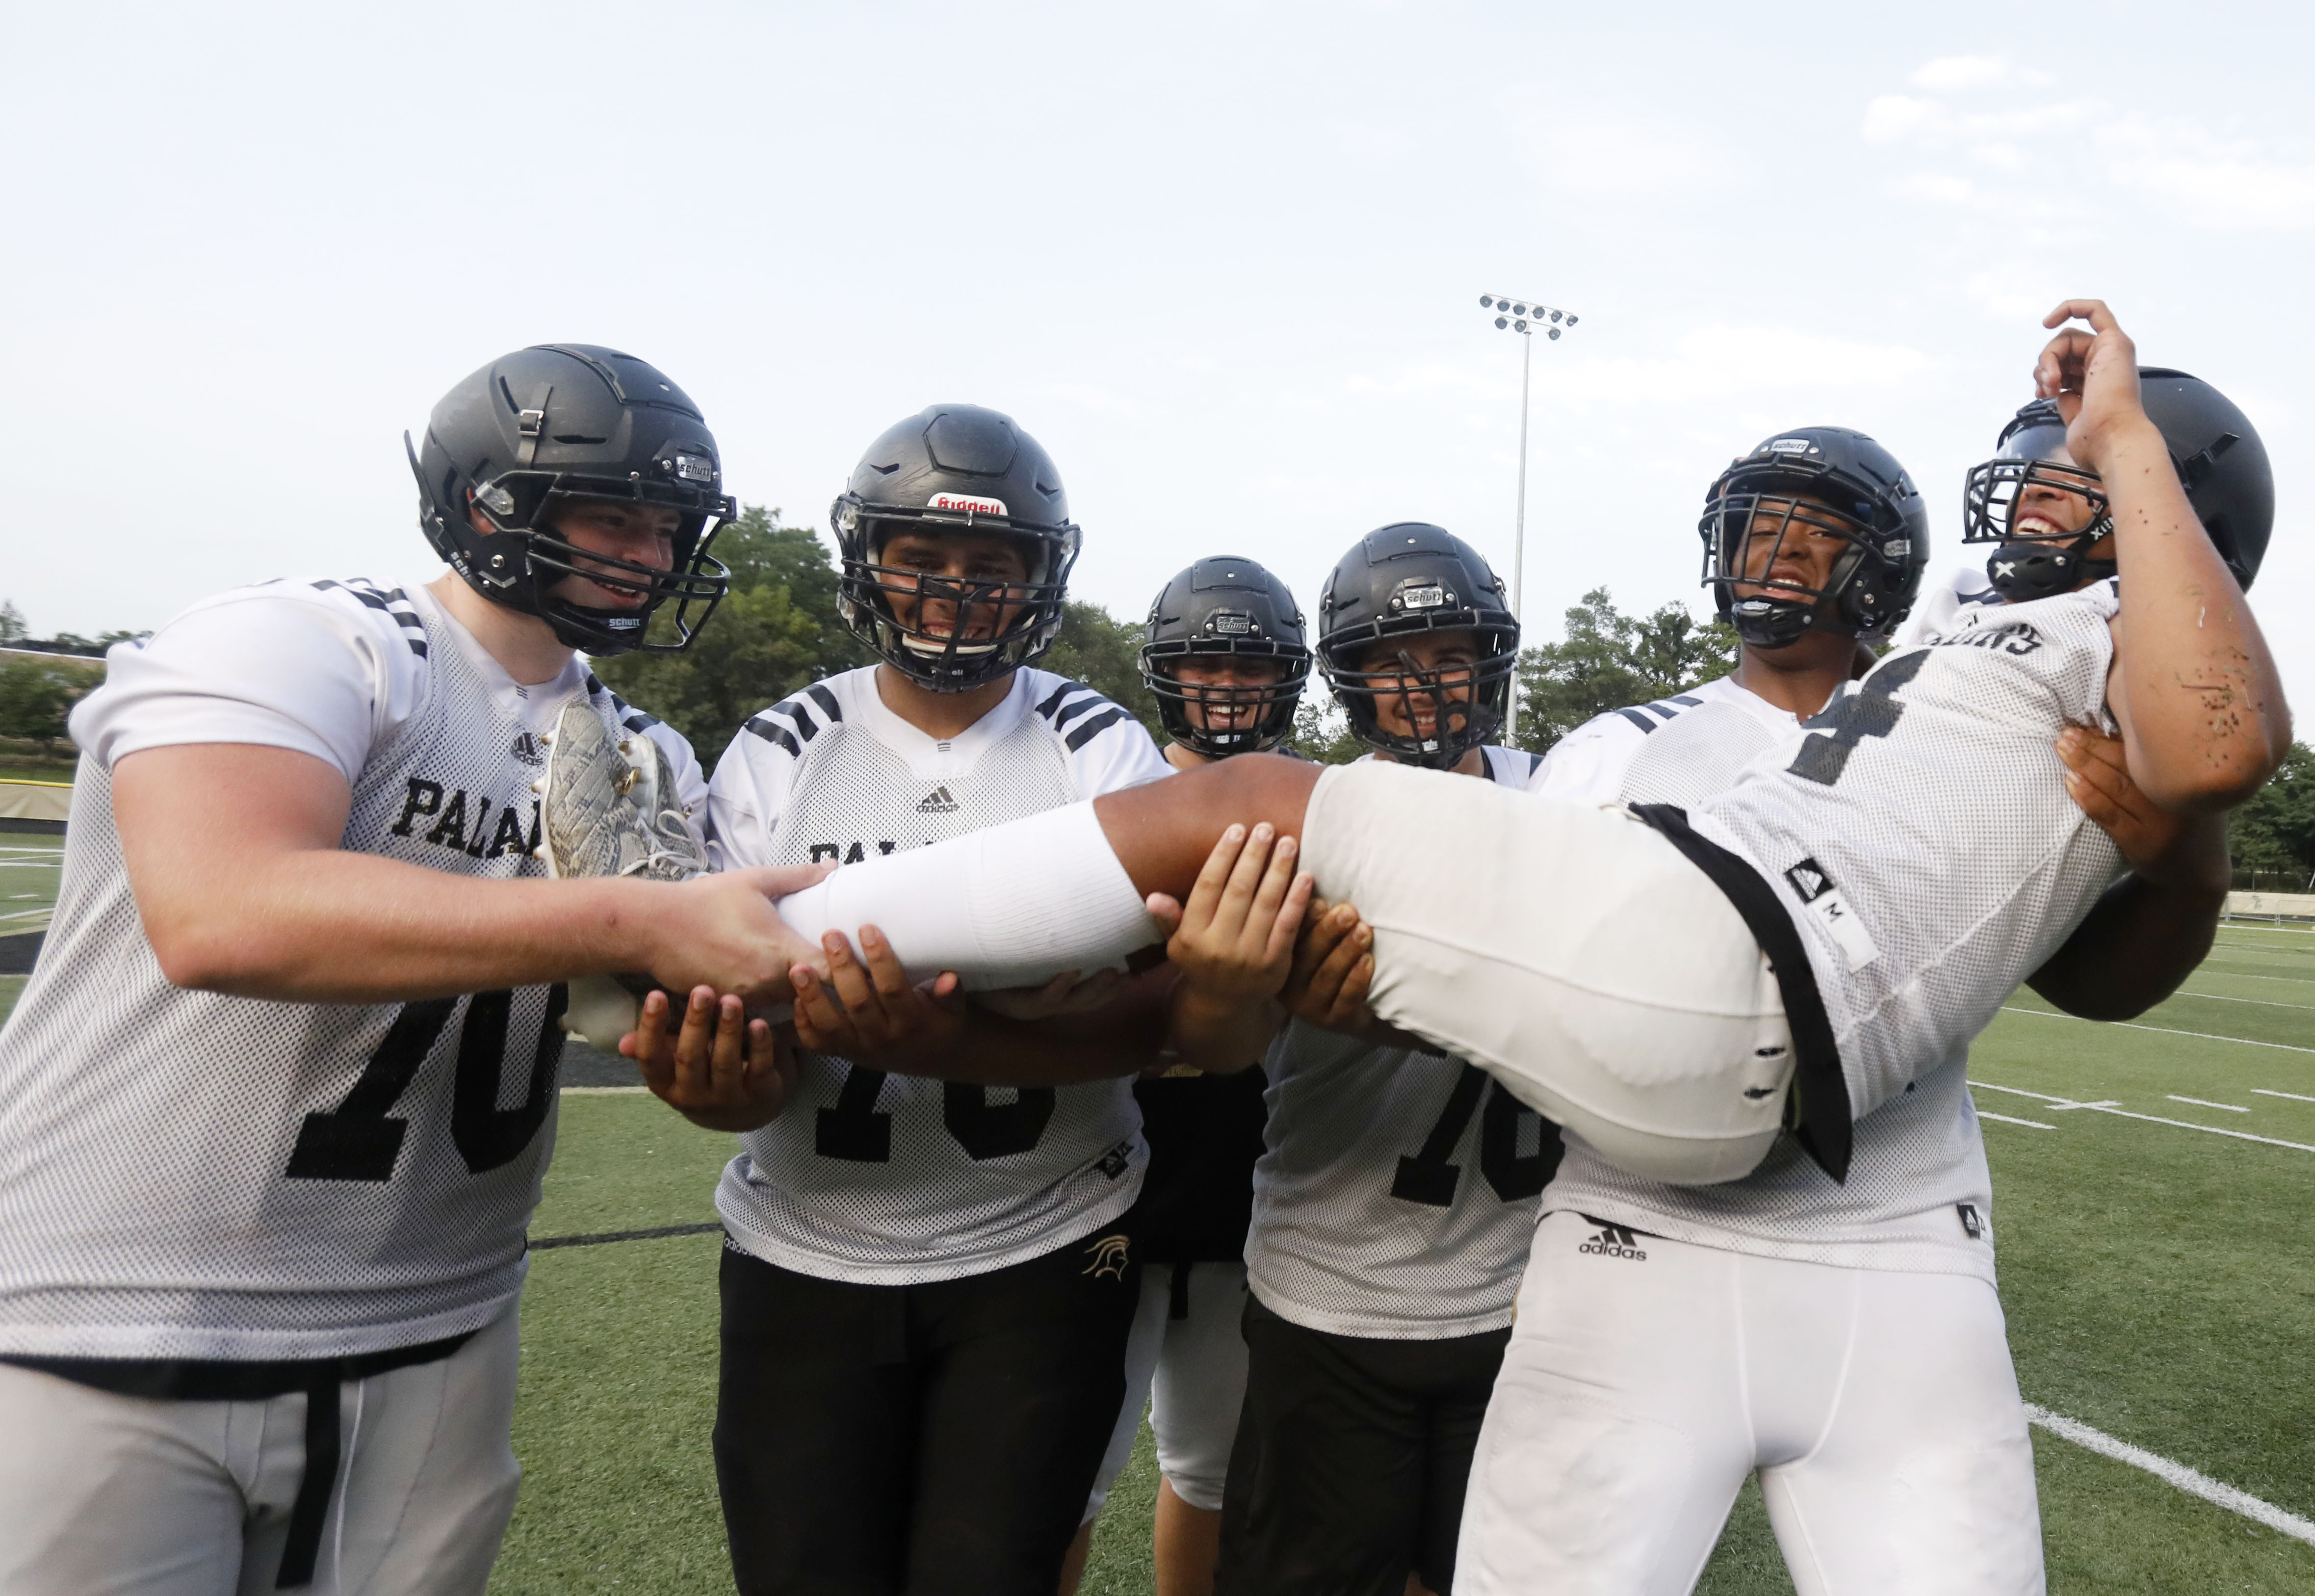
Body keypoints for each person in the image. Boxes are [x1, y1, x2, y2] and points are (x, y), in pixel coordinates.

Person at [754, 300, 2285, 1203]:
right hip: (1734, 1030)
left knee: (1237, 803)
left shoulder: (2135, 642)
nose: (2032, 504)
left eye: (2069, 487)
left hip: (1749, 982)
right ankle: (885, 1011)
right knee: (1245, 937)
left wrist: (2133, 445)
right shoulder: (1971, 628)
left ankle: (726, 938)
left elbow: (2218, 743)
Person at [0, 344, 802, 1595]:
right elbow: (225, 910)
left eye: (668, 528)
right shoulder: (301, 640)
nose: (647, 556)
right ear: (488, 501)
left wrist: (730, 1069)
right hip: (115, 1303)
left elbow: (670, 1049)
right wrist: (626, 921)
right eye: (613, 515)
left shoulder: (650, 758)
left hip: (442, 1323)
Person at [1437, 388, 2264, 1593]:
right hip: (1639, 1232)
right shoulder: (1625, 743)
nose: (1773, 558)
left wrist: (2185, 867)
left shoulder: (1982, 694)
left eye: (1812, 533)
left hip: (1897, 1235)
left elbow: (2088, 978)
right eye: (1757, 529)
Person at [701, 404, 1196, 1596]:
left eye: (993, 564)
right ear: (868, 560)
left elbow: (1156, 1018)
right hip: (805, 1243)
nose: (955, 591)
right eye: (923, 558)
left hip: (1041, 1236)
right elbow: (735, 1033)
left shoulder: (1096, 747)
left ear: (1040, 575)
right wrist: (717, 1071)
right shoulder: (780, 748)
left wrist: (943, 1034)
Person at [1213, 526, 1557, 1596]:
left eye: (1449, 651)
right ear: (1348, 676)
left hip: (1525, 1295)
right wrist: (1232, 985)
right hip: (1336, 1289)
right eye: (1390, 658)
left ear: (1491, 654)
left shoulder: (1571, 798)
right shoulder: (1303, 819)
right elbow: (1212, 1046)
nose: (1424, 682)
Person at [1063, 556, 1313, 1596]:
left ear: (1286, 679)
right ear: (1164, 672)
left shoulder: (1314, 806)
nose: (1222, 687)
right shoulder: (1098, 797)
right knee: (1060, 1474)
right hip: (1095, 1188)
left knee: (1212, 1468)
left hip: (1242, 1188)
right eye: (1201, 663)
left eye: (1245, 667)